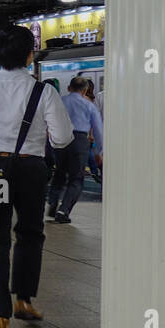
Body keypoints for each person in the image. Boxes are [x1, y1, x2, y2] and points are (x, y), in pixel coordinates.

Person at [0, 25, 74, 328]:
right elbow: (63, 139)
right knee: (30, 234)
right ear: (29, 55)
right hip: (30, 168)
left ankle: (0, 316)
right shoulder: (44, 91)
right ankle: (24, 301)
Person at [47, 77, 104, 224]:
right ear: (85, 90)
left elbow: (48, 120)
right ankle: (63, 210)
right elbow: (98, 130)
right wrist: (99, 152)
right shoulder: (89, 105)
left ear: (69, 88)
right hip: (79, 141)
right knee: (76, 178)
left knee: (60, 172)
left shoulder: (59, 102)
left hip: (61, 139)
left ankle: (53, 203)